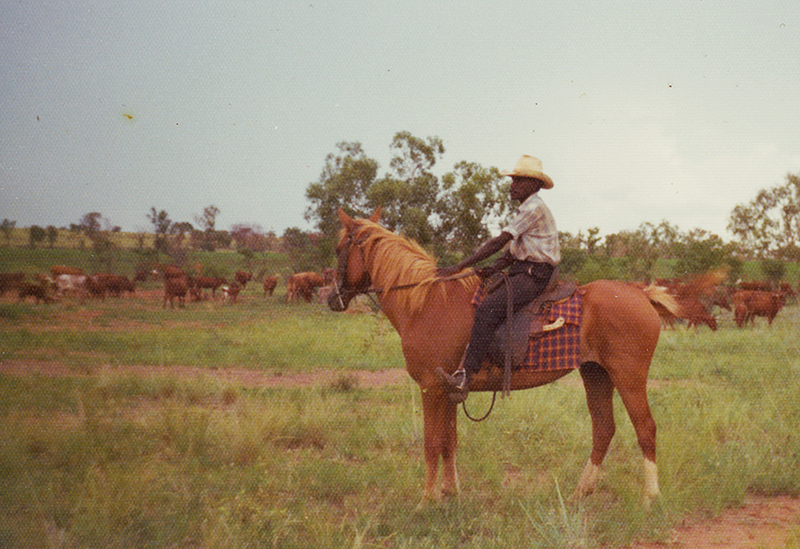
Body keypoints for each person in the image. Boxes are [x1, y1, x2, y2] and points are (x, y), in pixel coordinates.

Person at [436, 155, 560, 399]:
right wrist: (492, 268)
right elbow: (511, 251)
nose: (513, 185)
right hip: (523, 270)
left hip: (534, 275)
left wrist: (459, 267)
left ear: (534, 185)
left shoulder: (534, 208)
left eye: (519, 181)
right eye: (513, 180)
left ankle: (465, 377)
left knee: (486, 311)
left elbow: (501, 240)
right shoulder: (526, 208)